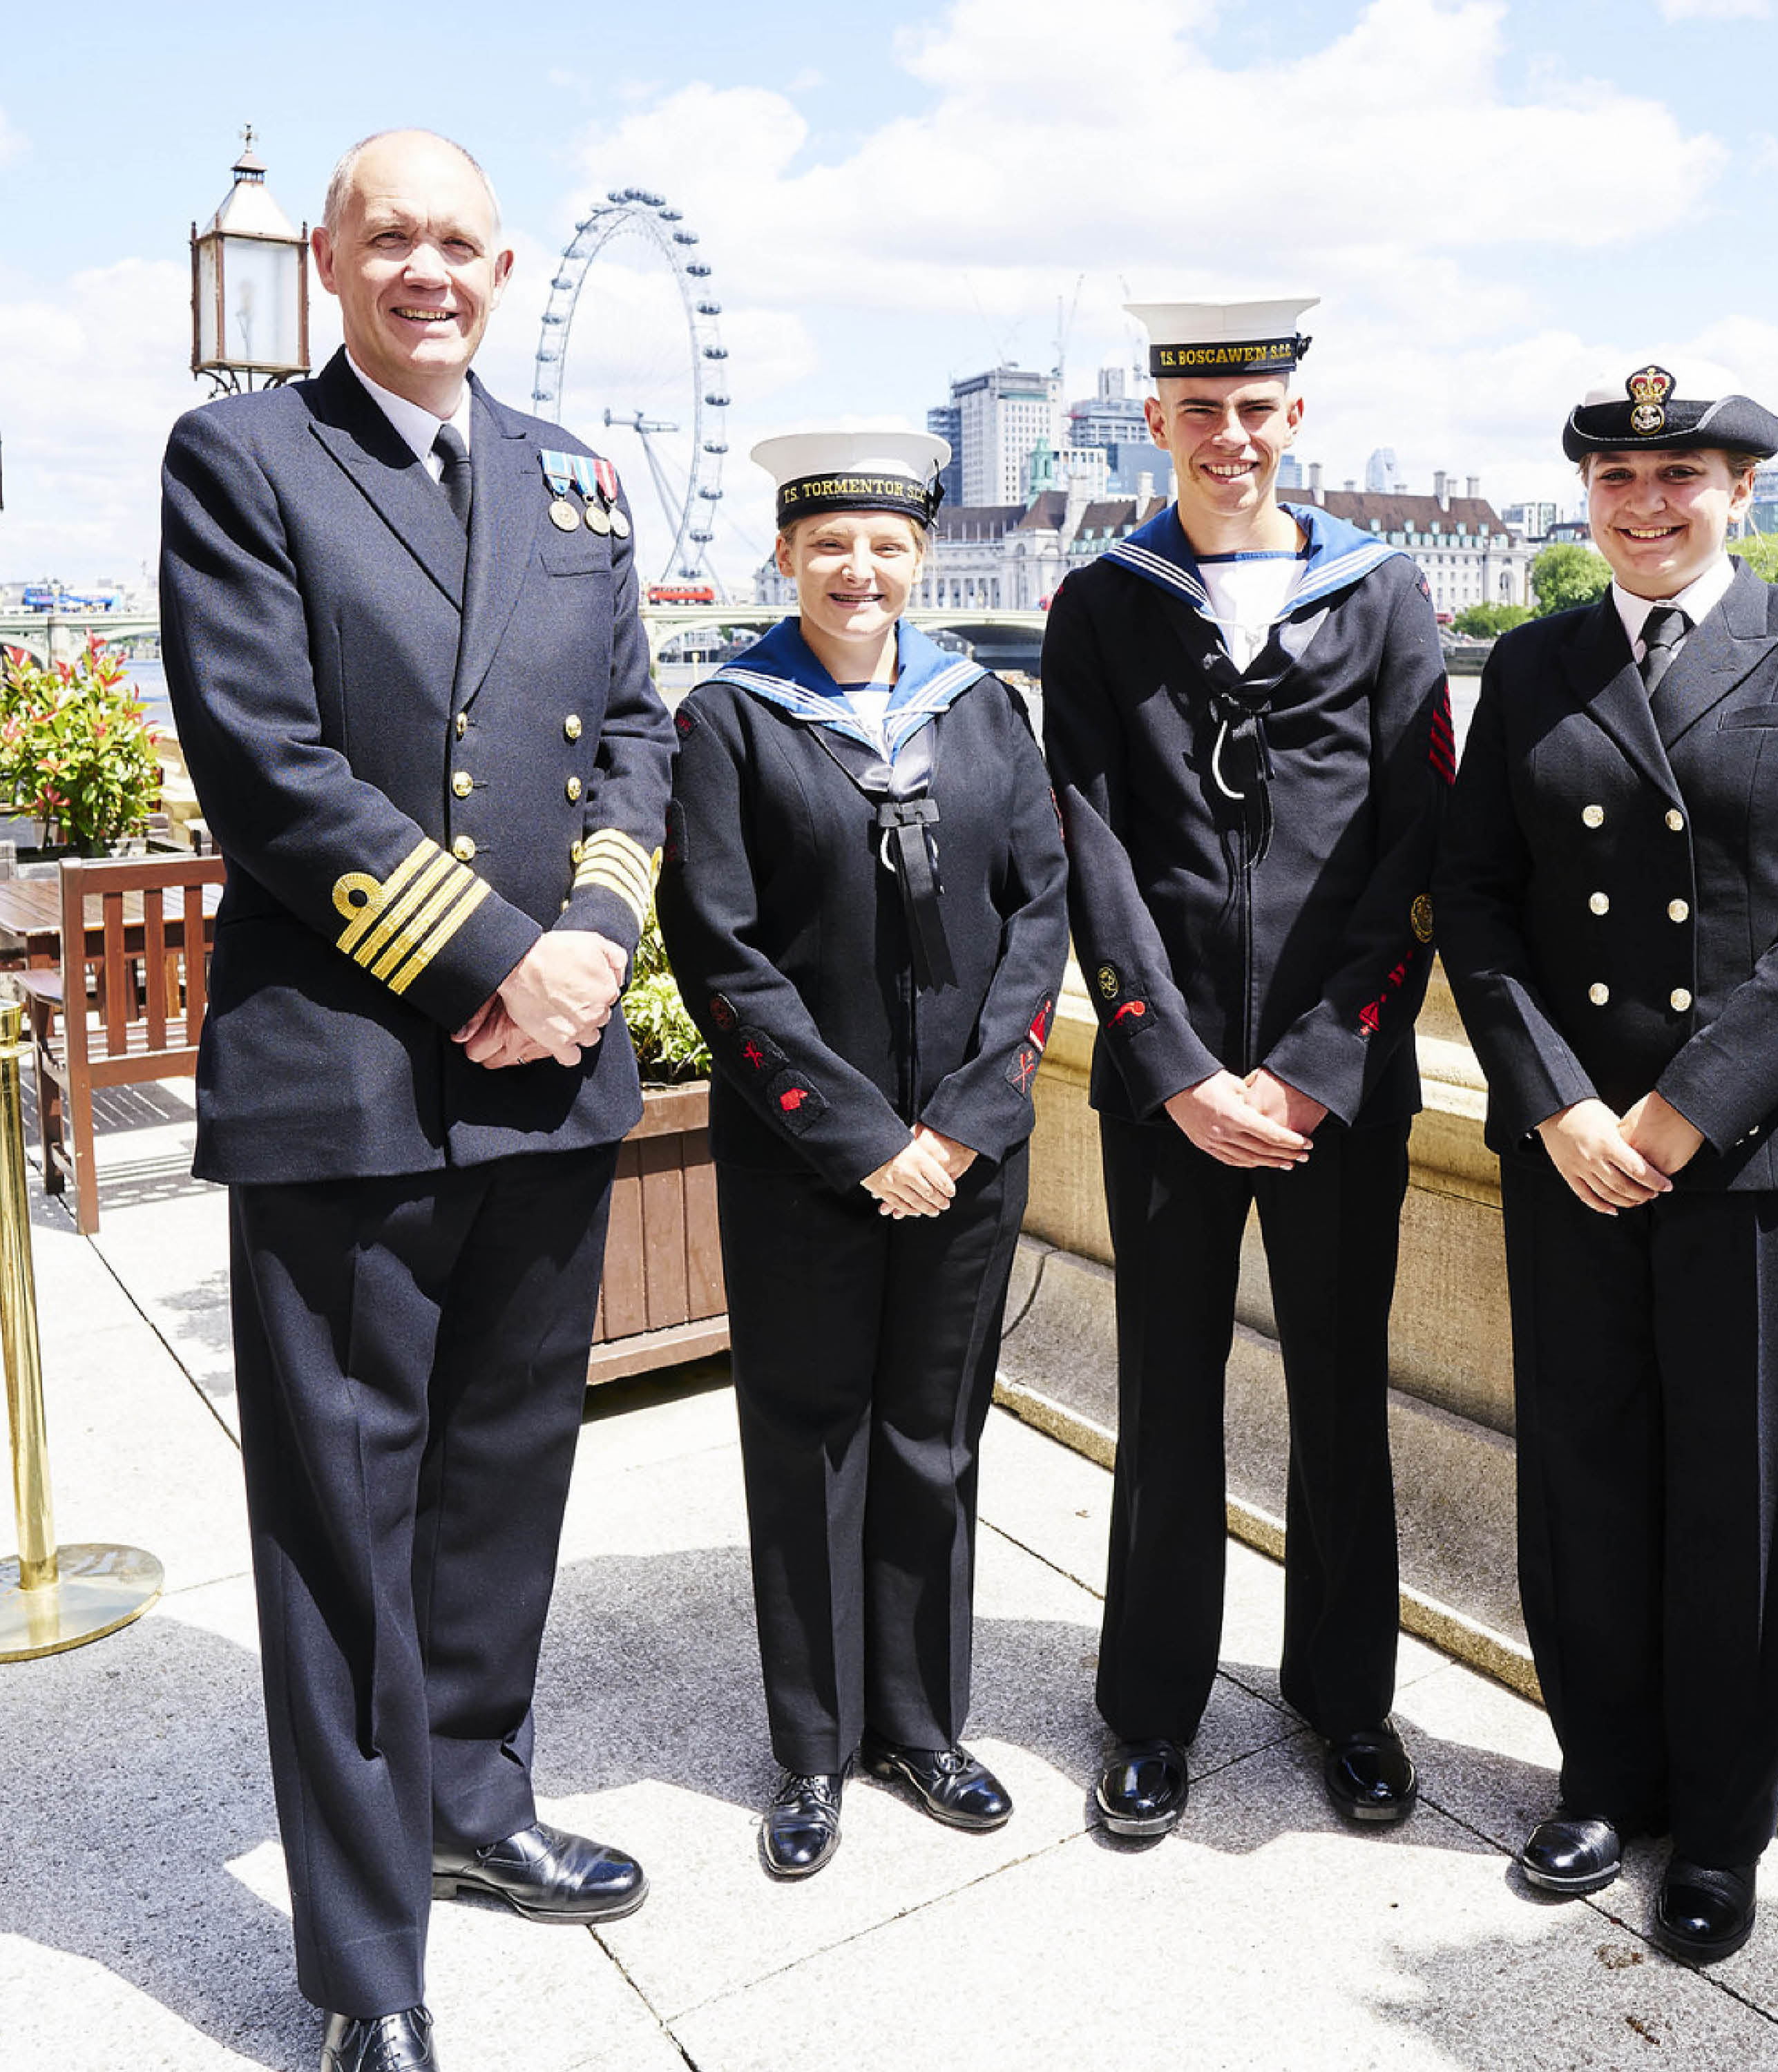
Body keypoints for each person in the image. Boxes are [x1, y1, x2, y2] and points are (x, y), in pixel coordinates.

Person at [159, 130, 671, 2072]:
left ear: (507, 262)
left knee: (501, 1480)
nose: (428, 271)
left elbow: (636, 728)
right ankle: (366, 1963)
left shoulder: (575, 472)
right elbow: (268, 765)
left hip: (553, 1071)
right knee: (343, 1527)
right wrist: (493, 964)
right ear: (329, 262)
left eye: (460, 241)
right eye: (392, 240)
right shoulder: (245, 463)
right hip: (353, 1079)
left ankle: (473, 1800)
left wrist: (597, 954)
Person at [1434, 365, 1778, 1962]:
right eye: (1618, 480)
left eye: (1682, 478)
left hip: (1758, 1156)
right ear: (1586, 496)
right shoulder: (1535, 661)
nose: (1647, 506)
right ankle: (1602, 1776)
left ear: (1743, 493)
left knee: (1744, 1500)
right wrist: (1562, 1104)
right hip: (1574, 1147)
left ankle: (1720, 1823)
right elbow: (1480, 901)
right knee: (1584, 1472)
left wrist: (1684, 1108)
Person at [1041, 299, 1453, 1838]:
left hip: (1334, 1090)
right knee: (1164, 1398)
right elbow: (1089, 845)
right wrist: (1177, 1065)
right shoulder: (1101, 603)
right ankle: (1151, 1708)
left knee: (1344, 1395)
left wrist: (1317, 1063)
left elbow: (1418, 843)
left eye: (1258, 409)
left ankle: (1346, 1699)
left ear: (1297, 421)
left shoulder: (1386, 590)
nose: (1231, 438)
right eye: (1201, 410)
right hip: (1171, 1086)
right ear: (1154, 424)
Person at [657, 430, 1069, 1879]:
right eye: (829, 544)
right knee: (811, 1439)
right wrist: (857, 1138)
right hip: (803, 1159)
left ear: (918, 557)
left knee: (934, 1437)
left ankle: (922, 1720)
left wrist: (960, 1123)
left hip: (965, 1153)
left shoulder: (985, 711)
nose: (858, 569)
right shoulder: (729, 721)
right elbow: (720, 950)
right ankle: (814, 1748)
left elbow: (1041, 913)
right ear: (785, 557)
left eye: (886, 544)